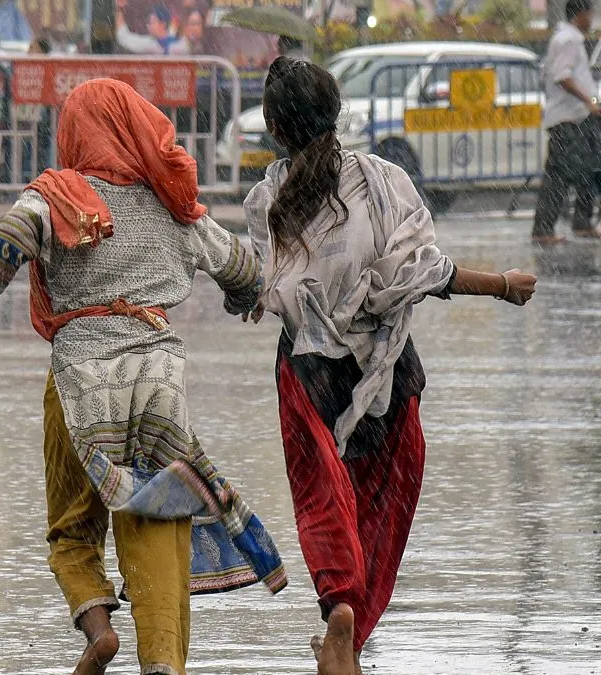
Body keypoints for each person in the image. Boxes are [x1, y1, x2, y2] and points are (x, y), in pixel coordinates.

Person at [0, 79, 287, 675]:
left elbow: (7, 238)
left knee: (73, 527)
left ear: (74, 134)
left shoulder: (59, 195)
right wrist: (243, 298)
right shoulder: (172, 209)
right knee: (157, 523)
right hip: (159, 387)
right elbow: (244, 268)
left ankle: (99, 632)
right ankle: (163, 662)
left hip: (80, 386)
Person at [243, 57, 538, 675]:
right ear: (336, 113)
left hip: (311, 375)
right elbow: (422, 271)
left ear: (274, 129)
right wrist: (503, 285)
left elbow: (258, 284)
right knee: (381, 503)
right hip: (390, 370)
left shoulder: (267, 202)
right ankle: (351, 625)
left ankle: (339, 606)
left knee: (322, 498)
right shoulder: (385, 181)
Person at [532, 0, 601, 244]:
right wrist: (589, 101)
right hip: (567, 119)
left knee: (586, 171)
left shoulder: (569, 38)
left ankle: (582, 223)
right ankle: (543, 230)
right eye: (590, 13)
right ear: (580, 14)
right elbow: (562, 76)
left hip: (576, 118)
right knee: (560, 175)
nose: (591, 19)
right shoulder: (569, 39)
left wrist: (591, 103)